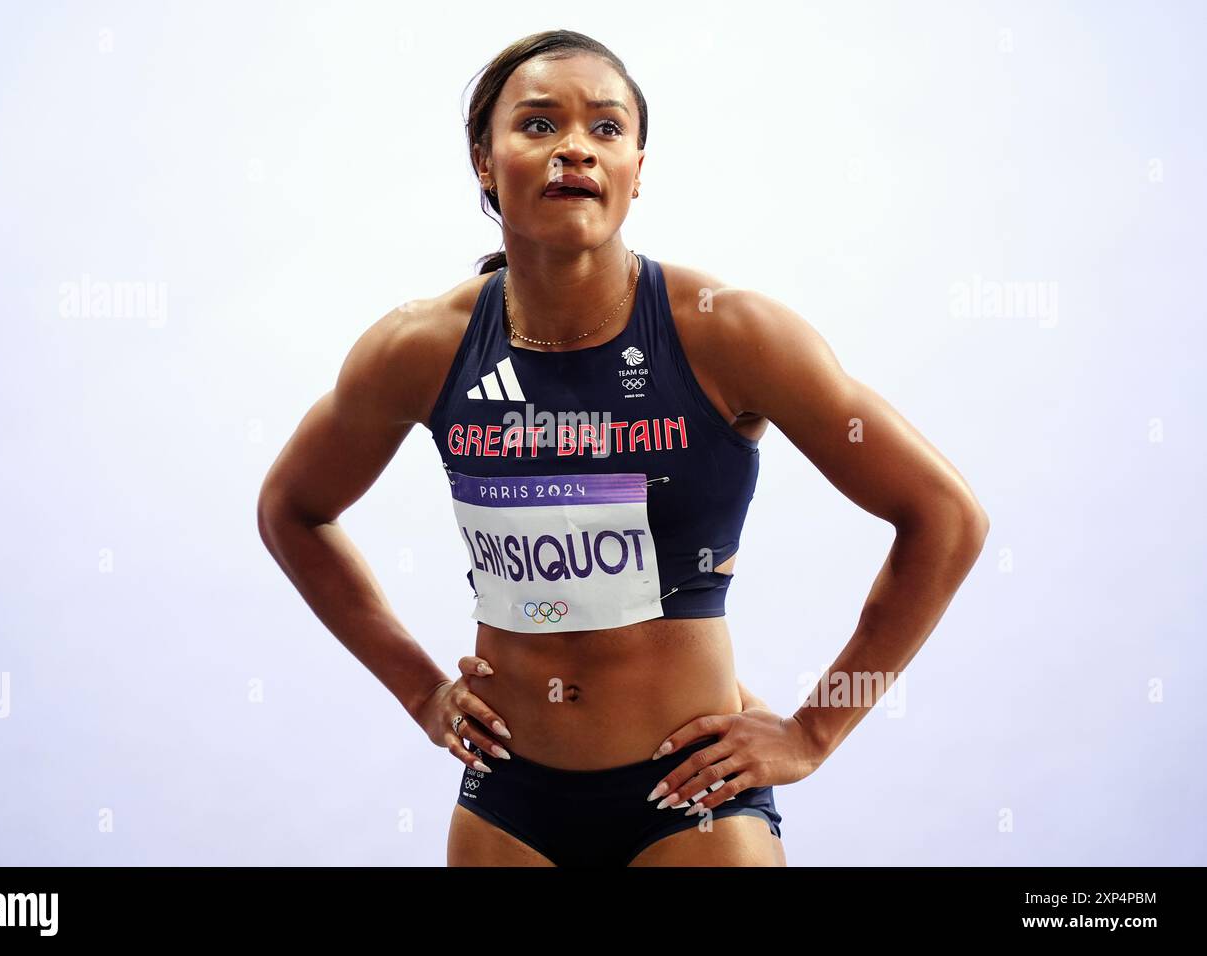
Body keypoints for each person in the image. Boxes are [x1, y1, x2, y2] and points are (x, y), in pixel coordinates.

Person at [256, 30, 989, 867]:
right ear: (484, 161)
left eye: (607, 128)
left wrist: (815, 731)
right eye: (538, 124)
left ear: (639, 168)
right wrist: (421, 691)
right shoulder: (419, 349)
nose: (576, 147)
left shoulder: (731, 333)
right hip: (507, 801)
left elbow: (944, 517)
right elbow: (292, 510)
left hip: (691, 799)